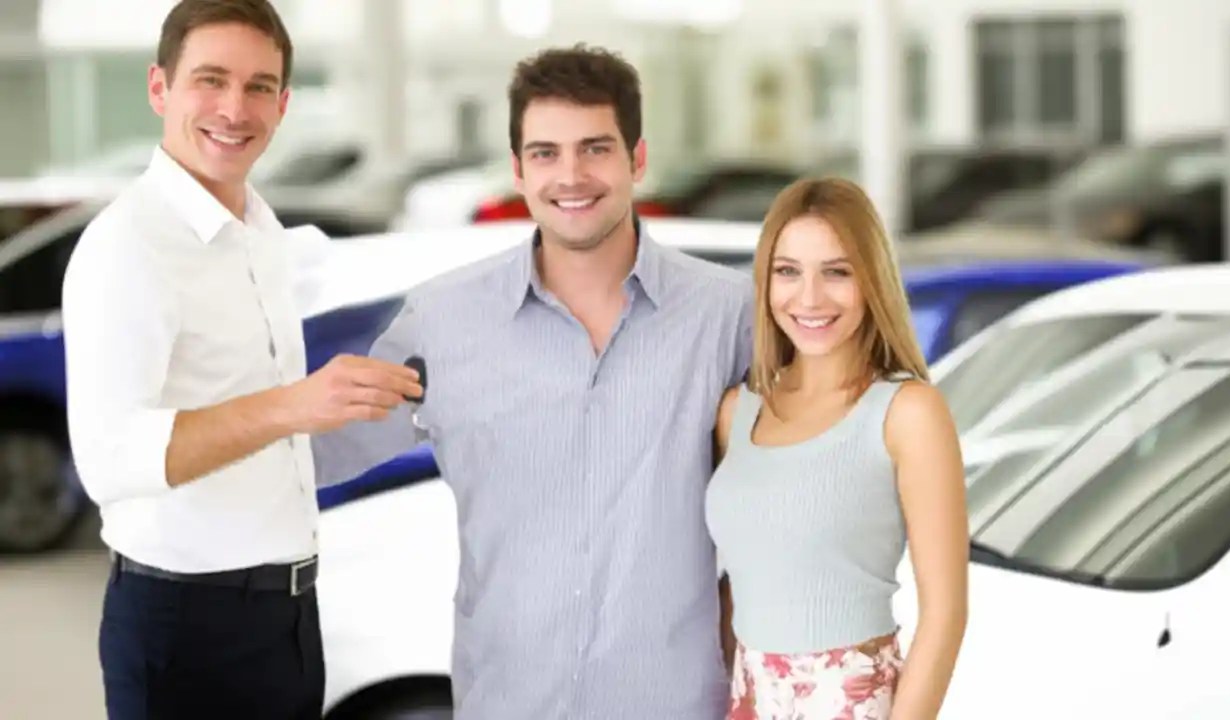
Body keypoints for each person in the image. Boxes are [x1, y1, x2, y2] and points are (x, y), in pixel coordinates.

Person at [312, 45, 752, 719]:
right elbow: (319, 458)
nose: (570, 175)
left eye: (595, 149)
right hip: (508, 703)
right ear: (517, 170)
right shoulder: (443, 321)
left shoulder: (731, 316)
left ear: (636, 159)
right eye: (545, 153)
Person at [60, 1, 422, 718]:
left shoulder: (257, 229)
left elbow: (270, 441)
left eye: (259, 86)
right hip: (187, 627)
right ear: (160, 89)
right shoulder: (127, 246)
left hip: (285, 617)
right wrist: (295, 404)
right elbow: (109, 459)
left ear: (283, 105)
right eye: (211, 79)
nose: (235, 107)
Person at [705, 177, 969, 719]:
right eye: (788, 272)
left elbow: (946, 615)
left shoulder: (907, 413)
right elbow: (737, 580)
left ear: (871, 279)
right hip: (748, 699)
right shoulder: (738, 411)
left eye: (837, 272)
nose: (809, 298)